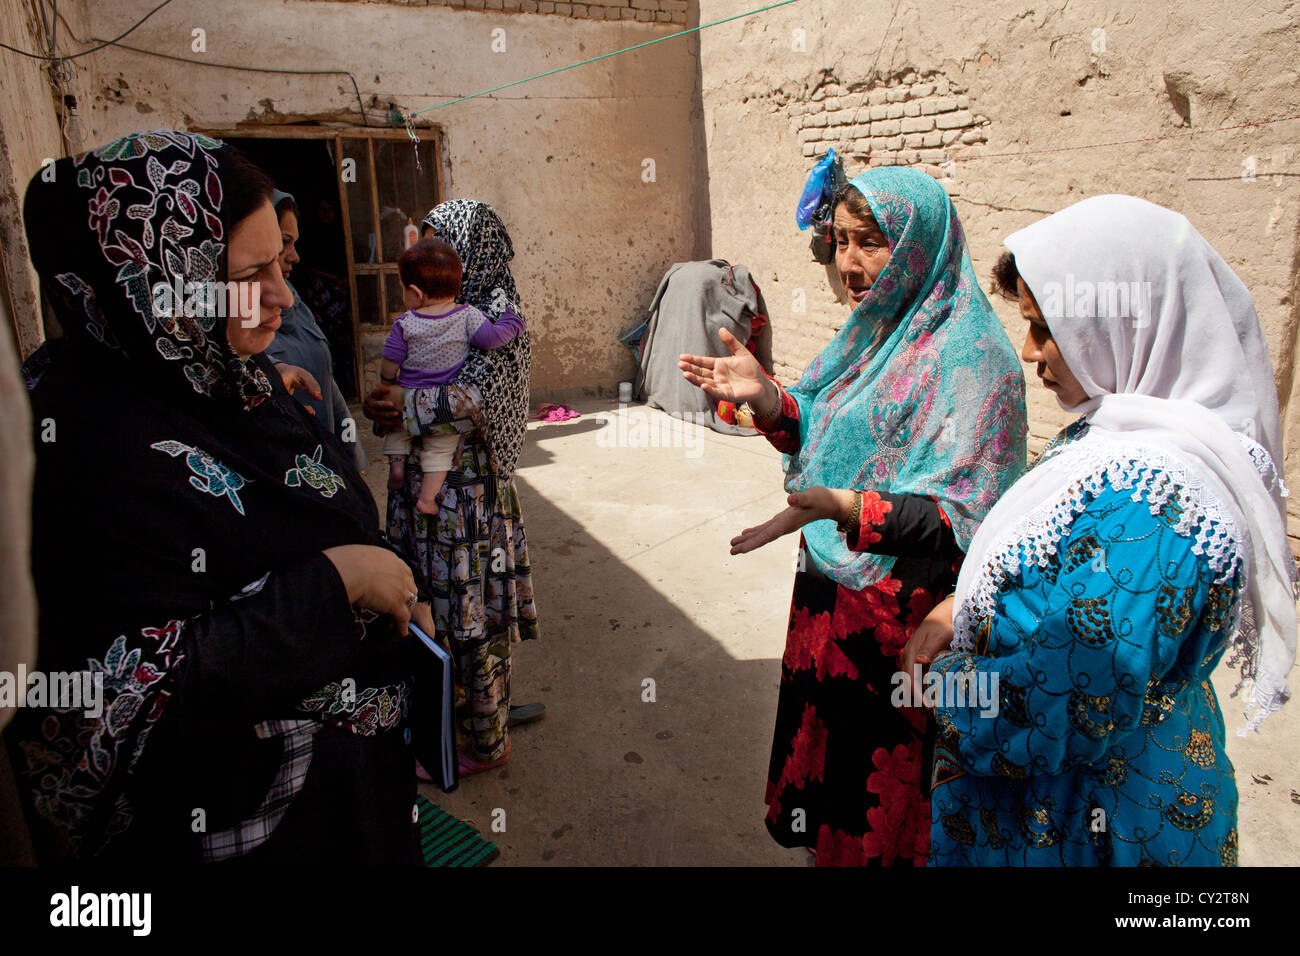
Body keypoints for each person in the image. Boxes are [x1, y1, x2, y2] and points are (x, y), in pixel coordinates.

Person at [5, 130, 430, 864]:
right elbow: (104, 707)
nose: (284, 296)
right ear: (161, 284)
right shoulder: (76, 446)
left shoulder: (220, 371)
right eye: (251, 273)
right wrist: (336, 585)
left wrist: (390, 581)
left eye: (281, 264)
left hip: (351, 794)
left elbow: (310, 502)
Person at [906, 194, 1297, 866]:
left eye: (1044, 329)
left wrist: (943, 684)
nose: (1028, 352)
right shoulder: (1116, 436)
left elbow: (1062, 702)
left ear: (1122, 320)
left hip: (1090, 820)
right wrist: (962, 607)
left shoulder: (1162, 504)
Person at [681, 166, 1028, 865]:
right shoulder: (868, 338)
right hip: (832, 599)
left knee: (887, 798)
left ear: (920, 246)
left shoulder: (977, 360)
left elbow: (968, 518)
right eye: (839, 242)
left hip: (907, 622)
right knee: (832, 776)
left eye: (870, 242)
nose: (849, 264)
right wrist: (769, 399)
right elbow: (817, 429)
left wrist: (847, 507)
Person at [365, 199, 540, 775]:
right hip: (427, 489)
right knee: (434, 608)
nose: (432, 257)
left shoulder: (496, 315)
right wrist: (384, 406)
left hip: (469, 499)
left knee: (470, 615)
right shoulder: (439, 312)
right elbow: (400, 383)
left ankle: (486, 741)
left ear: (470, 251)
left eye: (441, 245)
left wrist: (403, 403)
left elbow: (473, 401)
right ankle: (462, 709)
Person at [380, 238, 522, 512]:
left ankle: (396, 468)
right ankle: (427, 498)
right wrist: (512, 322)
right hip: (443, 407)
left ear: (415, 293)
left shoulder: (405, 322)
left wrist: (386, 382)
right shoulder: (467, 315)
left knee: (398, 430)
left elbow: (391, 359)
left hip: (406, 394)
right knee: (439, 451)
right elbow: (491, 338)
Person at [264, 189, 367, 474]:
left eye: (294, 243)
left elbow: (326, 383)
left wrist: (350, 458)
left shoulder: (295, 304)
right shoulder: (231, 321)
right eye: (283, 242)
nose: (294, 256)